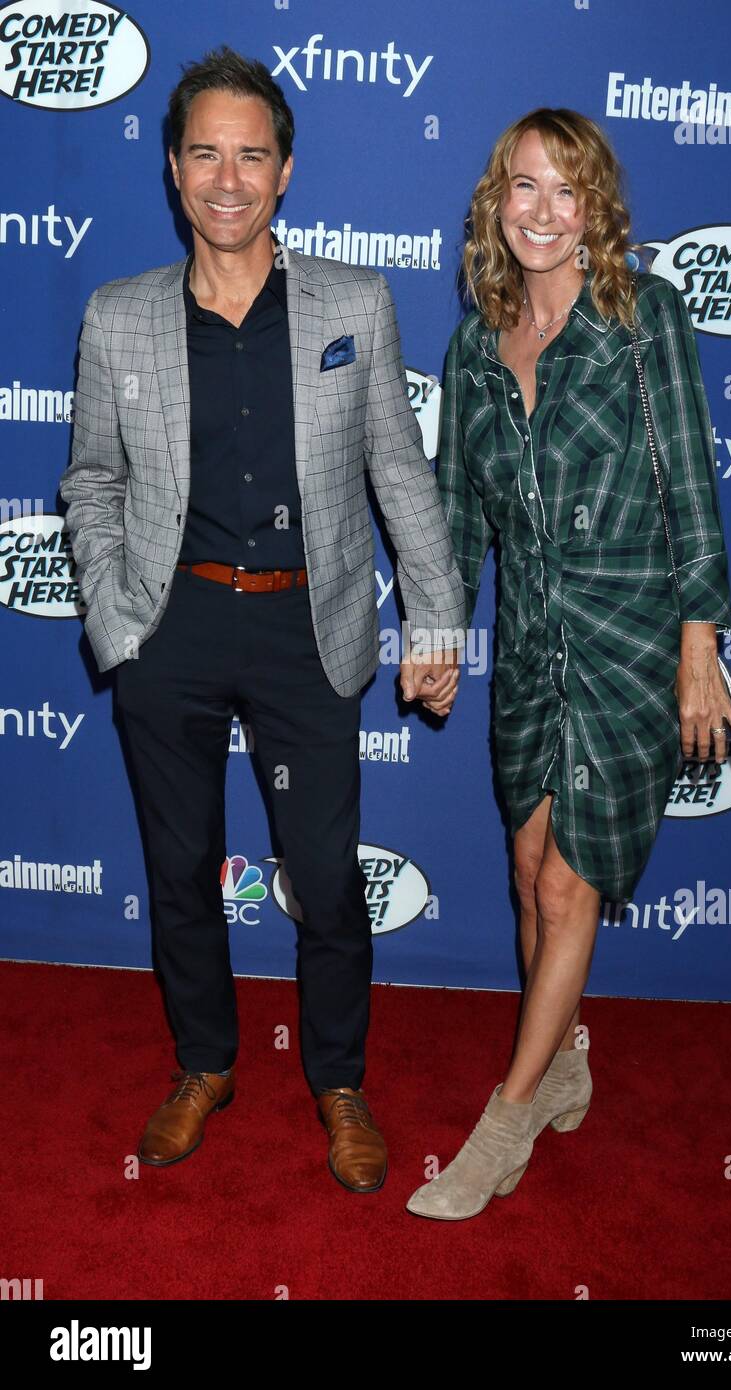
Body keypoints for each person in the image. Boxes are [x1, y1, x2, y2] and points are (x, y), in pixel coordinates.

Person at [59, 46, 463, 1192]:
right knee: (179, 868)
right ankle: (205, 1064)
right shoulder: (116, 315)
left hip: (309, 630)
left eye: (251, 154)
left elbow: (401, 471)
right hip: (169, 632)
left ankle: (337, 1080)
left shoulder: (352, 302)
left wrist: (433, 620)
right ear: (174, 171)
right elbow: (89, 483)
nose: (227, 178)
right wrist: (113, 620)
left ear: (284, 171)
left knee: (326, 879)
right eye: (204, 153)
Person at [406, 108, 731, 1220]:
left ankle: (501, 1127)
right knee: (523, 864)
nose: (542, 211)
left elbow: (689, 477)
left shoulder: (641, 314)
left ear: (595, 208)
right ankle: (563, 1062)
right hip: (535, 634)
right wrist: (440, 632)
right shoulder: (474, 341)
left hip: (630, 633)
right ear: (493, 203)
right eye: (522, 187)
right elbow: (455, 508)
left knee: (568, 881)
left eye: (566, 191)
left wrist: (699, 641)